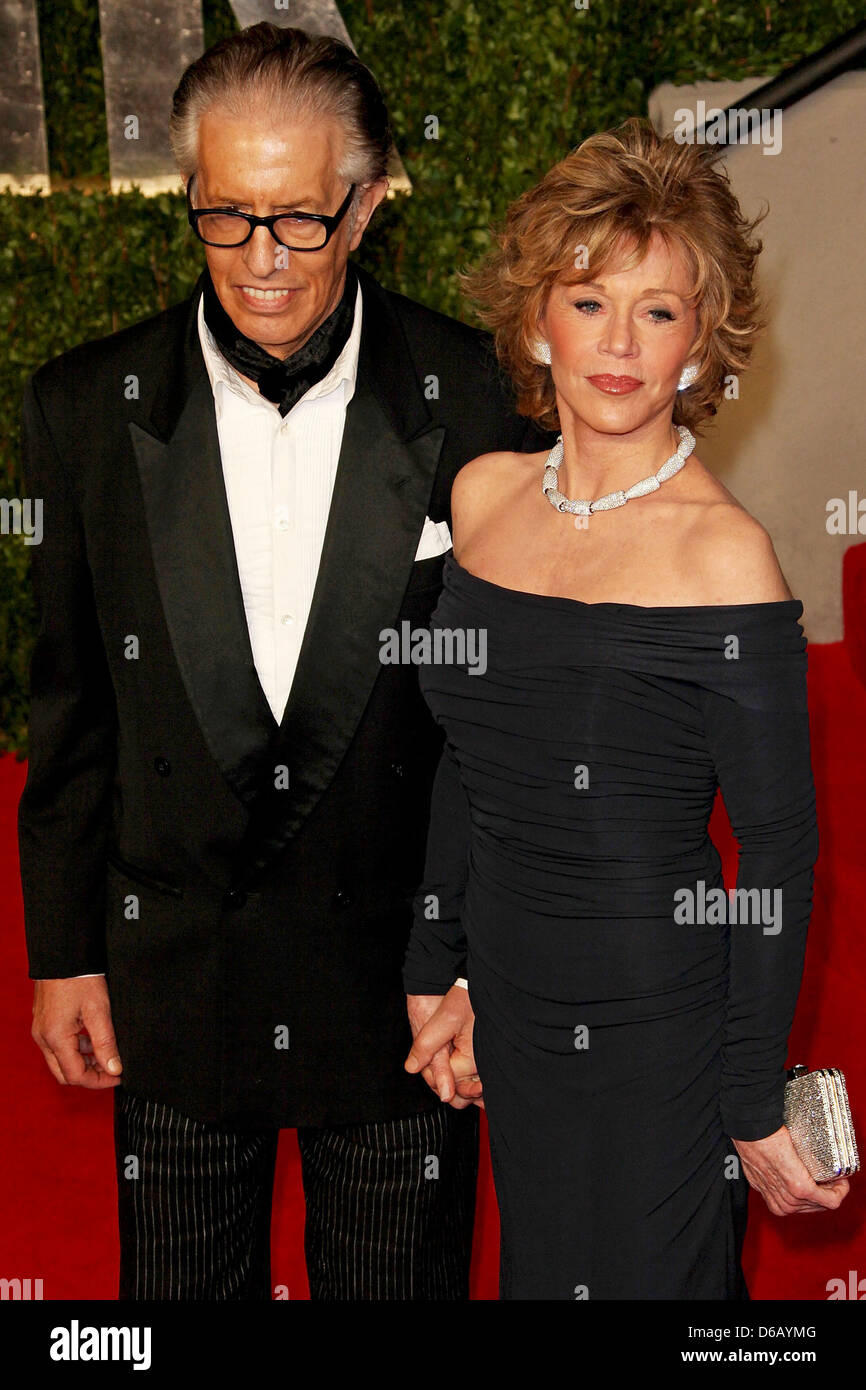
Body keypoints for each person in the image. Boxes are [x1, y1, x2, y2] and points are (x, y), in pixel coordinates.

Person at [18, 23, 550, 1301]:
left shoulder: (477, 396)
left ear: (363, 207)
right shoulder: (87, 405)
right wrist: (63, 951)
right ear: (190, 197)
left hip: (405, 989)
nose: (260, 262)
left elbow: (520, 724)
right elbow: (72, 704)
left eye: (300, 221)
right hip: (174, 973)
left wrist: (476, 960)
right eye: (225, 215)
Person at [403, 117, 850, 1300]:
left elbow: (777, 848)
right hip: (512, 990)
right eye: (588, 298)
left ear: (699, 342)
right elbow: (469, 754)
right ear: (534, 316)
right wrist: (438, 966)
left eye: (658, 311)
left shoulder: (726, 559)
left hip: (658, 1023)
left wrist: (751, 1091)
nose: (618, 344)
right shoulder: (484, 495)